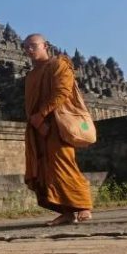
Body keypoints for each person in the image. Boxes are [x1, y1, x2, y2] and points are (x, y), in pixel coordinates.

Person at [22, 34, 93, 225]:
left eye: (33, 46)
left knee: (64, 164)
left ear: (45, 46)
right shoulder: (30, 75)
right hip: (38, 127)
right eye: (26, 47)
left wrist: (42, 114)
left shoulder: (58, 65)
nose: (29, 50)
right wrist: (35, 121)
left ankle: (83, 205)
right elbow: (30, 104)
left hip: (57, 123)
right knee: (46, 169)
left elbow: (62, 92)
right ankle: (67, 212)